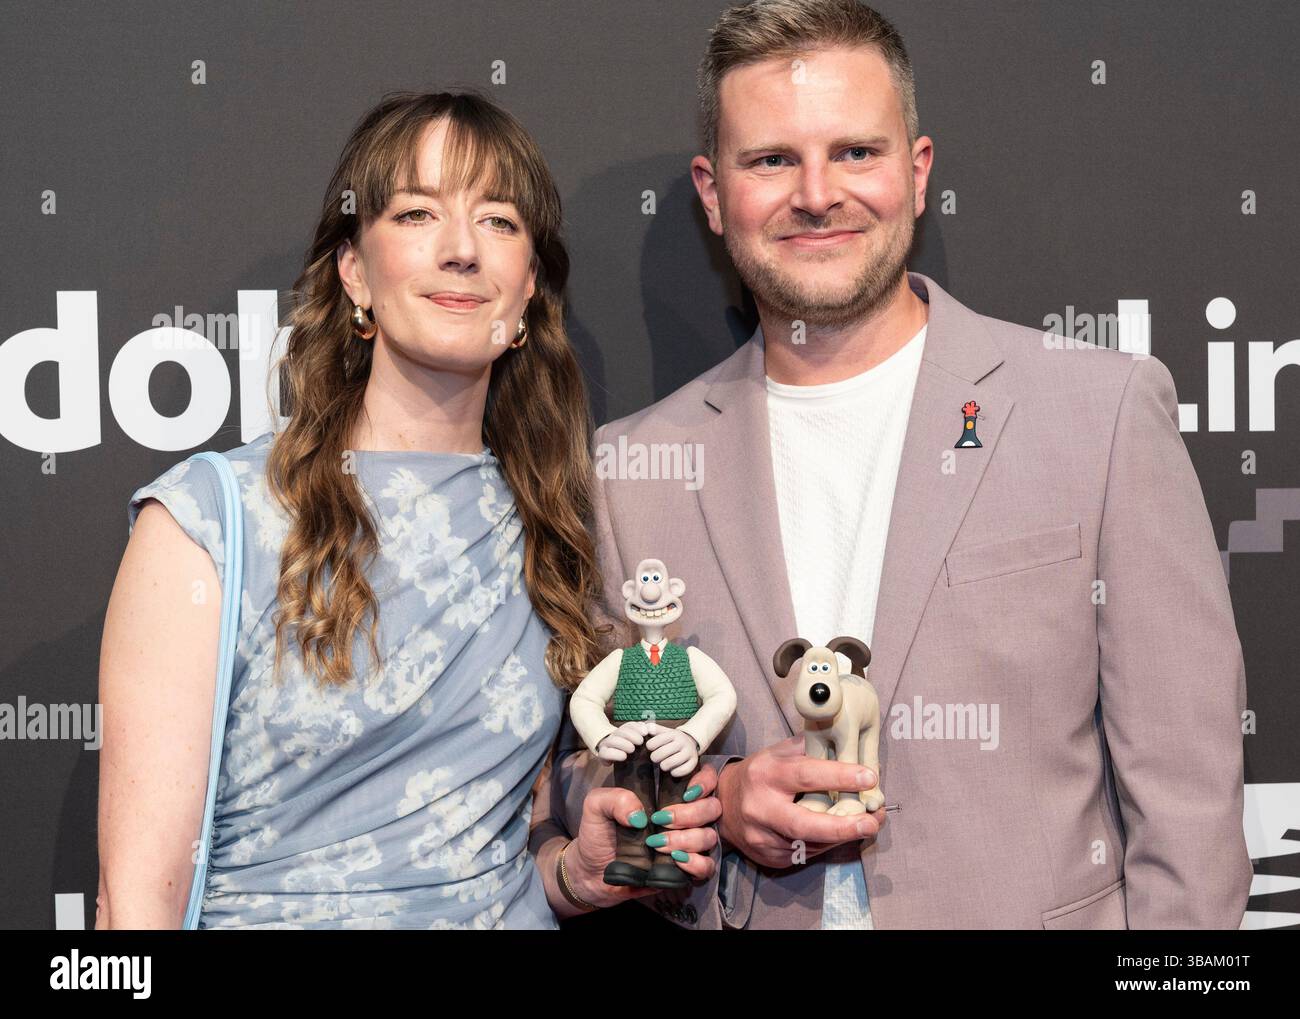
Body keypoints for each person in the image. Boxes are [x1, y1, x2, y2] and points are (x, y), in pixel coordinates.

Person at [531, 0, 1252, 929]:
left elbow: (1189, 797)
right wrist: (720, 791)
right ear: (713, 194)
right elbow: (599, 777)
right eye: (772, 159)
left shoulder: (1100, 413)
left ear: (916, 175)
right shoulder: (632, 469)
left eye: (856, 153)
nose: (818, 193)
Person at [96, 90, 720, 929]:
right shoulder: (212, 522)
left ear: (529, 286)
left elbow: (490, 855)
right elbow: (136, 903)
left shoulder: (559, 526)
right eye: (419, 213)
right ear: (354, 268)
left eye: (498, 221)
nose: (461, 251)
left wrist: (573, 872)